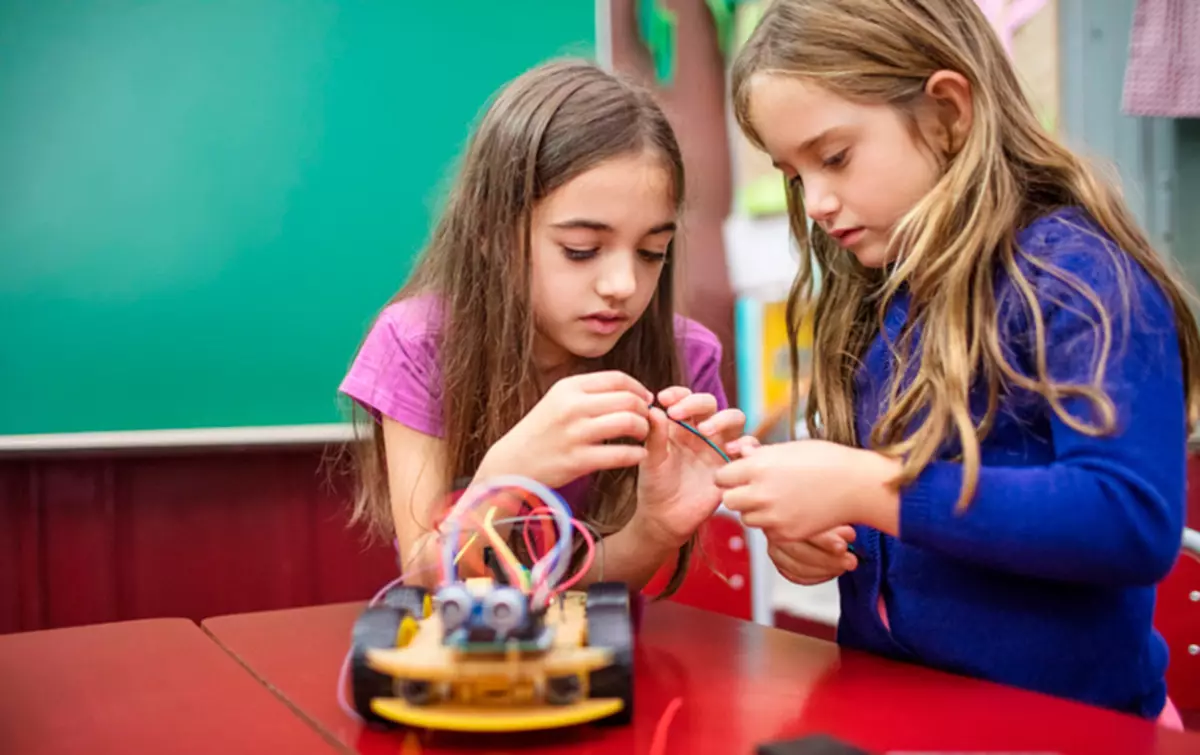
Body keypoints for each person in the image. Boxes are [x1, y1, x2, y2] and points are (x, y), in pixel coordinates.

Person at [713, 0, 1200, 723]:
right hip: (902, 717)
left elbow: (1131, 519)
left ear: (947, 112)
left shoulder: (1081, 281)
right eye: (793, 175)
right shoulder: (872, 290)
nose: (814, 201)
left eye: (835, 156)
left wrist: (873, 489)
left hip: (1071, 730)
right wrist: (818, 532)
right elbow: (898, 519)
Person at [339, 58, 745, 598]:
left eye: (652, 252)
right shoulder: (417, 344)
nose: (623, 283)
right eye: (581, 250)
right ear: (490, 233)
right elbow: (425, 576)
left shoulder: (686, 357)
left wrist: (653, 530)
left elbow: (583, 592)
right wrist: (504, 478)